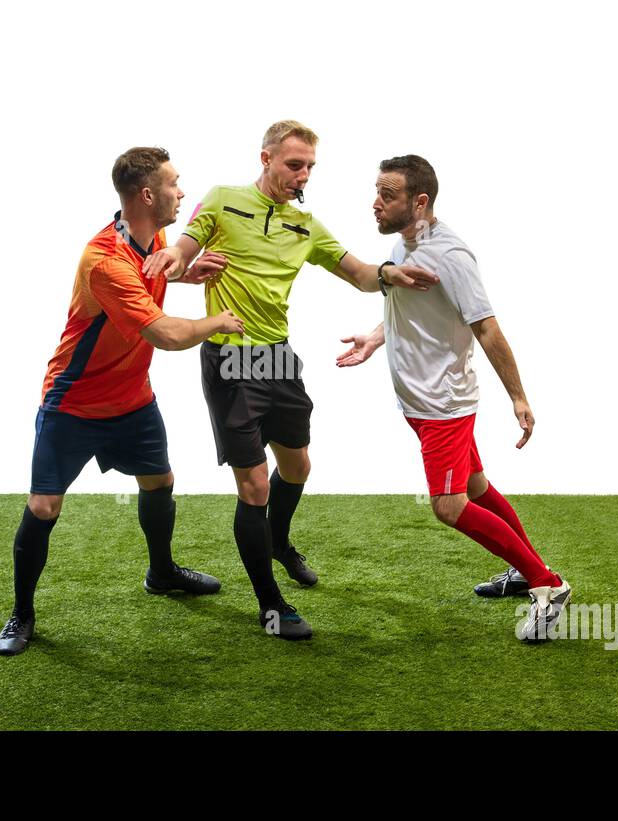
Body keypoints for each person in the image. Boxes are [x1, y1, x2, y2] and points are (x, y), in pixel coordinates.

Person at [143, 121, 437, 640]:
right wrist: (174, 257)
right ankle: (271, 606)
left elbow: (359, 273)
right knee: (254, 484)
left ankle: (278, 542)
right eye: (293, 165)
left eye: (309, 168)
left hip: (278, 359)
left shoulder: (306, 226)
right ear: (266, 159)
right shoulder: (223, 200)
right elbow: (186, 246)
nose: (302, 176)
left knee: (297, 466)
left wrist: (391, 274)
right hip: (231, 359)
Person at [0, 147, 243, 656]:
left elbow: (150, 277)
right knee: (44, 505)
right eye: (175, 183)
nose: (182, 192)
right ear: (148, 194)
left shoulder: (153, 238)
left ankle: (162, 572)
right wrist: (216, 322)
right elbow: (166, 334)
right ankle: (22, 614)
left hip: (132, 398)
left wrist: (184, 275)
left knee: (160, 481)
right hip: (74, 402)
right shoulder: (103, 260)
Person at [336, 154, 571, 642]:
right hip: (422, 404)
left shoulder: (450, 255)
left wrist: (519, 397)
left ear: (419, 202)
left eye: (387, 195)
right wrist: (376, 337)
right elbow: (413, 308)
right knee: (478, 488)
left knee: (449, 505)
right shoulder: (404, 247)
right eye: (376, 193)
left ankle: (548, 586)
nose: (374, 204)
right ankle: (527, 570)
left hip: (443, 405)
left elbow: (485, 326)